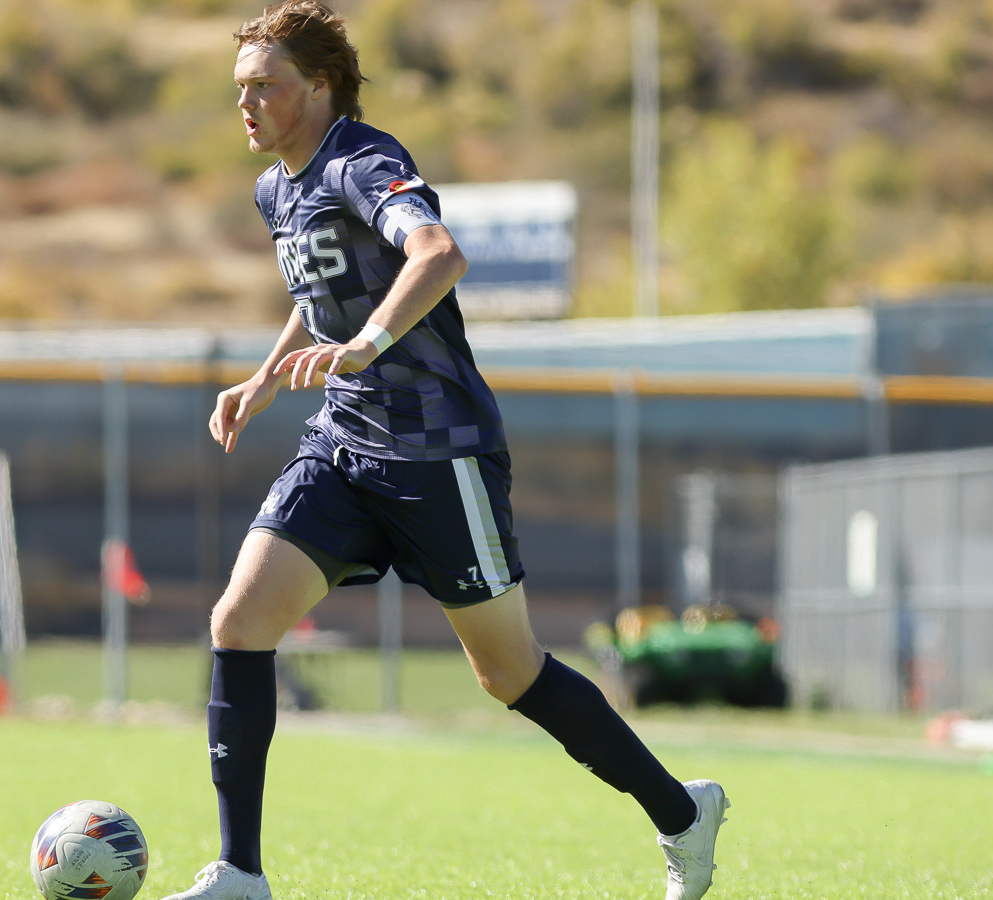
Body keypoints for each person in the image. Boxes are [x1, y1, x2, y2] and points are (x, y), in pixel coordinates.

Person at [160, 4, 729, 899]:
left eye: (264, 85)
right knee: (239, 621)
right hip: (343, 444)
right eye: (240, 87)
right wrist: (266, 376)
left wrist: (367, 343)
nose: (246, 102)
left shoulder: (362, 161)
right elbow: (320, 292)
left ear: (319, 85)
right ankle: (240, 872)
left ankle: (682, 813)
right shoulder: (275, 188)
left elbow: (437, 253)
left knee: (509, 673)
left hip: (439, 451)